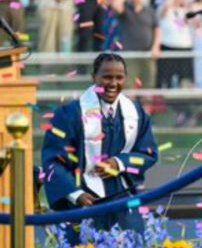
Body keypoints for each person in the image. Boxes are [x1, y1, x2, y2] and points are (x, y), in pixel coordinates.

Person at [41, 52, 158, 236]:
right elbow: (52, 161)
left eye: (119, 77)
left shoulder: (135, 113)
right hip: (84, 203)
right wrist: (75, 194)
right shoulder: (70, 114)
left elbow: (148, 154)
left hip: (123, 202)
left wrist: (120, 163)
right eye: (106, 77)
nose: (113, 83)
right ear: (94, 77)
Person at [109, 0, 159, 89]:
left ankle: (145, 106)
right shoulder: (126, 10)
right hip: (129, 55)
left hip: (147, 54)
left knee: (148, 88)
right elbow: (115, 4)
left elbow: (157, 29)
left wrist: (156, 46)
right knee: (128, 88)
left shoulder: (150, 11)